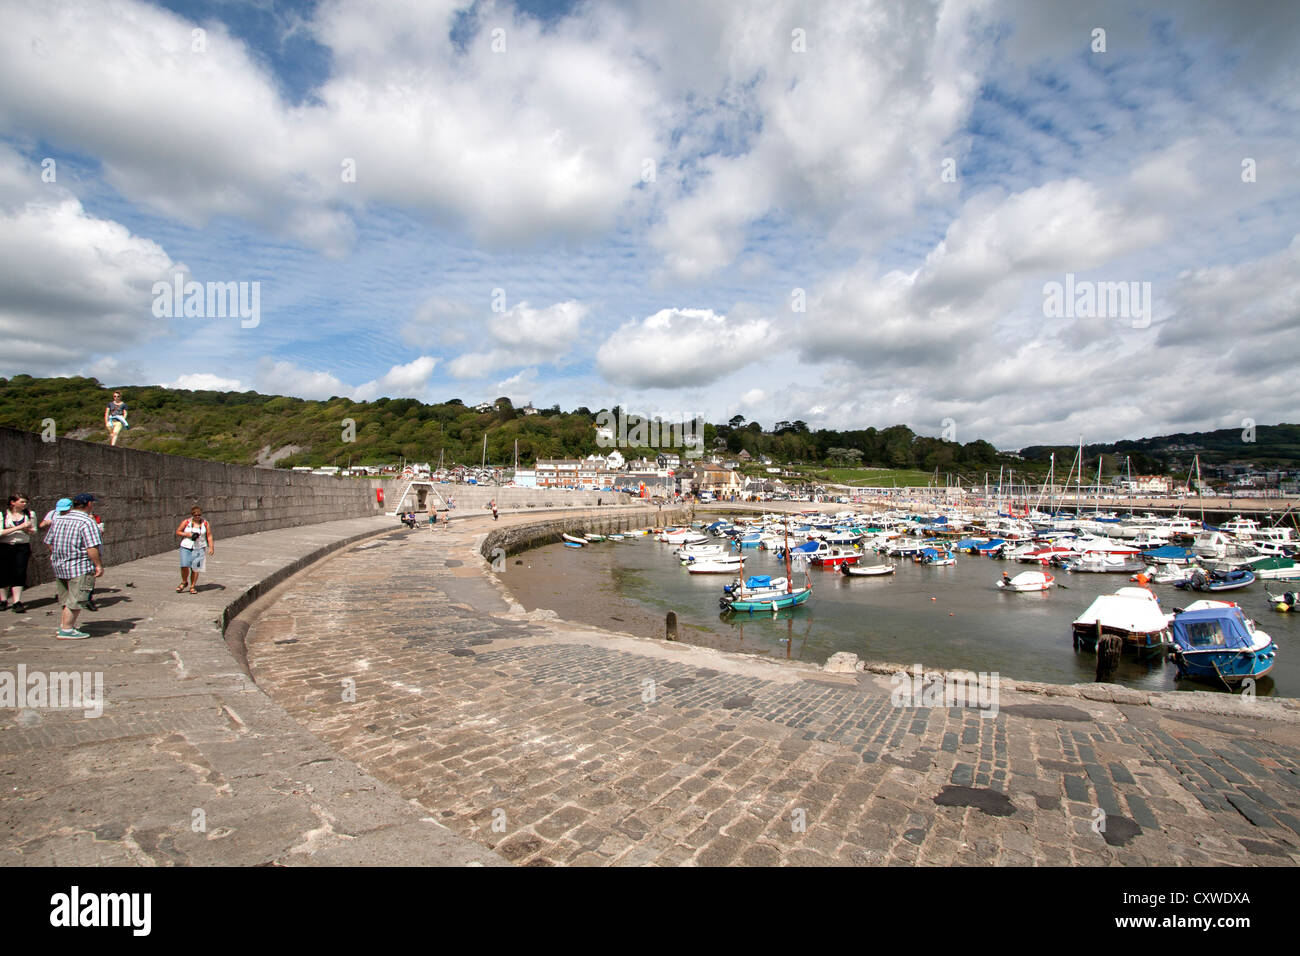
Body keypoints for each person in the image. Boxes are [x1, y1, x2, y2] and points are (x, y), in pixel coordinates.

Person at [43, 493, 103, 639]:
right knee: (77, 598)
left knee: (66, 599)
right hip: (79, 566)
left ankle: (64, 625)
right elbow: (91, 547)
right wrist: (98, 565)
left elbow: (48, 542)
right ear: (89, 504)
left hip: (60, 565)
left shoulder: (59, 519)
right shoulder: (87, 522)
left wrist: (59, 555)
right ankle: (67, 629)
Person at [0, 494, 37, 612]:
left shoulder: (30, 514)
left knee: (20, 572)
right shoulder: (3, 515)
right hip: (5, 546)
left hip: (22, 547)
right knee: (4, 573)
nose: (24, 504)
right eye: (22, 502)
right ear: (12, 502)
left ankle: (17, 601)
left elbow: (34, 531)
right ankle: (3, 600)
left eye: (26, 502)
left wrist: (28, 529)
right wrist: (19, 527)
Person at [175, 506, 213, 594]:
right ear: (192, 515)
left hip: (199, 546)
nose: (197, 516)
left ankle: (192, 586)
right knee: (184, 565)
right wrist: (187, 534)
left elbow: (209, 535)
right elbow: (178, 531)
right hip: (186, 546)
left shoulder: (205, 523)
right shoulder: (186, 522)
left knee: (195, 568)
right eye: (195, 515)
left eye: (199, 515)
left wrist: (211, 547)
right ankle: (184, 582)